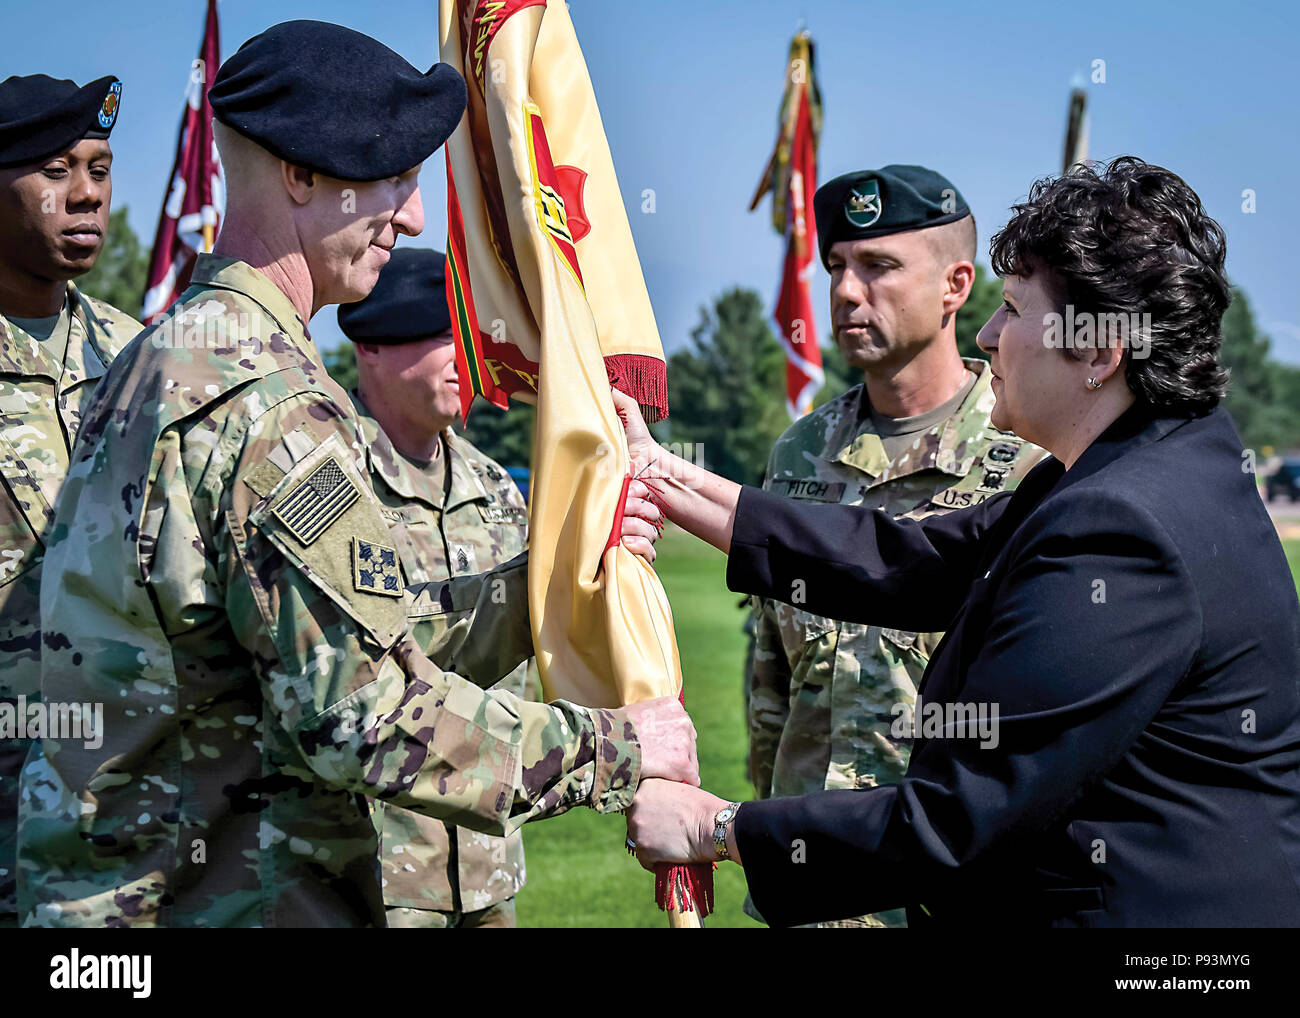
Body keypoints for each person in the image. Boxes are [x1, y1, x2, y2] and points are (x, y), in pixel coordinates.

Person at [18, 20, 694, 929]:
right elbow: (363, 720)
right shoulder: (265, 403)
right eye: (395, 179)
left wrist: (556, 572)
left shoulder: (163, 357)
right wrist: (620, 746)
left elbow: (321, 631)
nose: (413, 217)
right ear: (301, 175)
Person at [619, 156, 1300, 927]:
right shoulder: (1142, 468)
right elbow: (916, 560)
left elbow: (957, 821)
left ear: (1100, 354)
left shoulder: (1123, 526)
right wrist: (669, 482)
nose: (988, 333)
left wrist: (714, 828)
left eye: (1013, 310)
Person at [744, 166, 1043, 927]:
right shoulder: (799, 453)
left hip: (950, 890)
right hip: (815, 881)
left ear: (955, 286)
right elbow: (770, 684)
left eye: (878, 268)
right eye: (837, 266)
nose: (845, 292)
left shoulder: (1028, 458)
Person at [336, 247, 533, 928]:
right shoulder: (331, 484)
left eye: (467, 337)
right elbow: (385, 663)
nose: (463, 357)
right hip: (380, 872)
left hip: (488, 860)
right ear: (371, 348)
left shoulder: (498, 489)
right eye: (438, 334)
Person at [0, 73, 141, 927]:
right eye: (55, 169)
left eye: (99, 166)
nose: (86, 193)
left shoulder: (139, 356)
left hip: (124, 794)